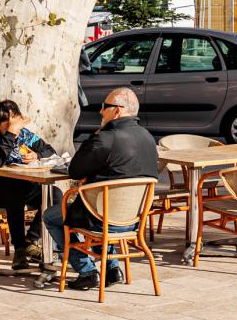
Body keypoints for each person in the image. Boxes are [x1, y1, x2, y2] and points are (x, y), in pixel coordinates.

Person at [45, 86, 157, 291]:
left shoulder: (106, 138)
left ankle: (86, 270)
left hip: (101, 218)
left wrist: (96, 136)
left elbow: (75, 170)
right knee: (101, 207)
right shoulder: (148, 138)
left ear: (118, 110)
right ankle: (112, 268)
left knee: (52, 217)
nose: (100, 111)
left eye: (105, 106)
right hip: (134, 220)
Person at [0, 99, 56, 273]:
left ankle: (31, 240)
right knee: (15, 193)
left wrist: (37, 155)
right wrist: (10, 134)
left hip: (20, 184)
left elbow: (50, 151)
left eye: (16, 123)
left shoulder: (24, 134)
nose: (16, 129)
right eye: (9, 125)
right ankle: (19, 249)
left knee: (53, 194)